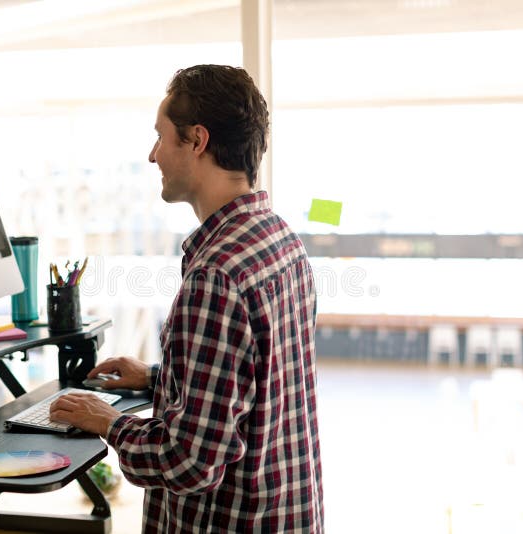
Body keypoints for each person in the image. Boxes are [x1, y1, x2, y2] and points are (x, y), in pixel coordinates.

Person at [50, 64, 323, 532]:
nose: (152, 155)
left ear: (197, 140)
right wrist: (159, 379)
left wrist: (109, 422)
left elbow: (189, 462)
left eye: (160, 136)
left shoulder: (216, 276)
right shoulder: (280, 239)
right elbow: (253, 389)